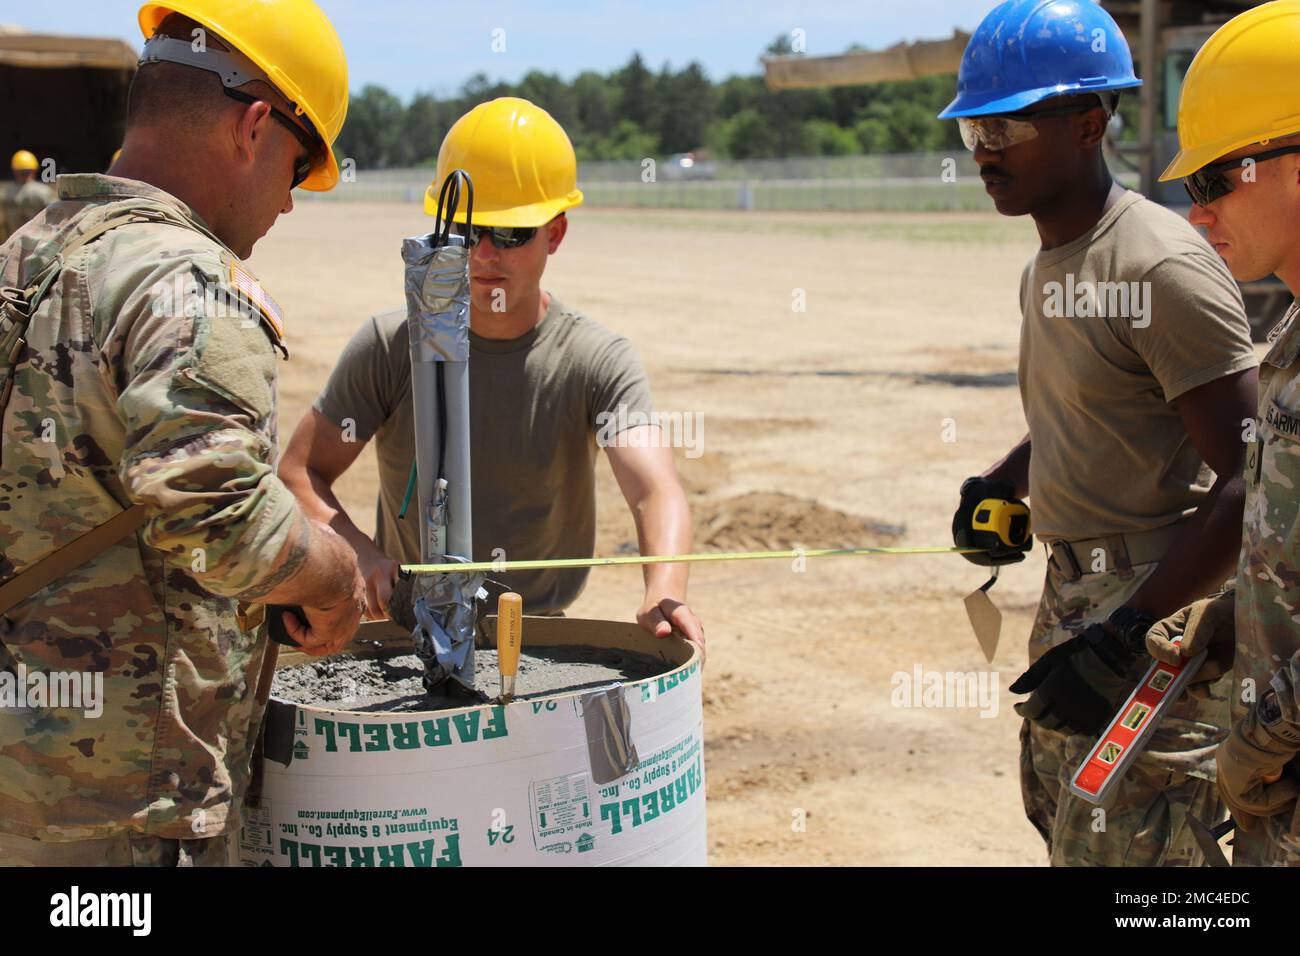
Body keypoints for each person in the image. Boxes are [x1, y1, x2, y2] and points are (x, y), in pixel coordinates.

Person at [0, 0, 363, 867]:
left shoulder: (26, 255)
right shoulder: (194, 285)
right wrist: (332, 569)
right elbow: (218, 517)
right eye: (299, 165)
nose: (287, 203)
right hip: (121, 803)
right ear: (252, 126)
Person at [942, 0, 1258, 865]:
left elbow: (1251, 479)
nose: (985, 153)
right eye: (974, 131)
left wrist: (1127, 636)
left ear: (1088, 123)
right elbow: (1094, 407)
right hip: (1075, 600)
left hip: (1159, 620)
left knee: (1148, 866)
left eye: (1006, 125)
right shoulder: (1051, 264)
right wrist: (1007, 479)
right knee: (1071, 831)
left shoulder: (1157, 264)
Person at [279, 97, 705, 653]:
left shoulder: (596, 360)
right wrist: (359, 554)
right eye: (468, 230)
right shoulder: (391, 346)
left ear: (555, 234)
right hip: (413, 634)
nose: (483, 254)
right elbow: (300, 472)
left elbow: (655, 490)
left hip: (542, 634)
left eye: (510, 234)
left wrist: (664, 588)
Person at [1146, 0, 1300, 867]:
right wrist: (1239, 614)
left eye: (1213, 181)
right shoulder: (1290, 335)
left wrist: (1267, 738)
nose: (1195, 212)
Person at [0, 150, 55, 243]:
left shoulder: (5, 193)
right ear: (34, 170)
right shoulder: (44, 192)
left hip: (12, 244)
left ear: (14, 171)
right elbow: (56, 218)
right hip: (37, 245)